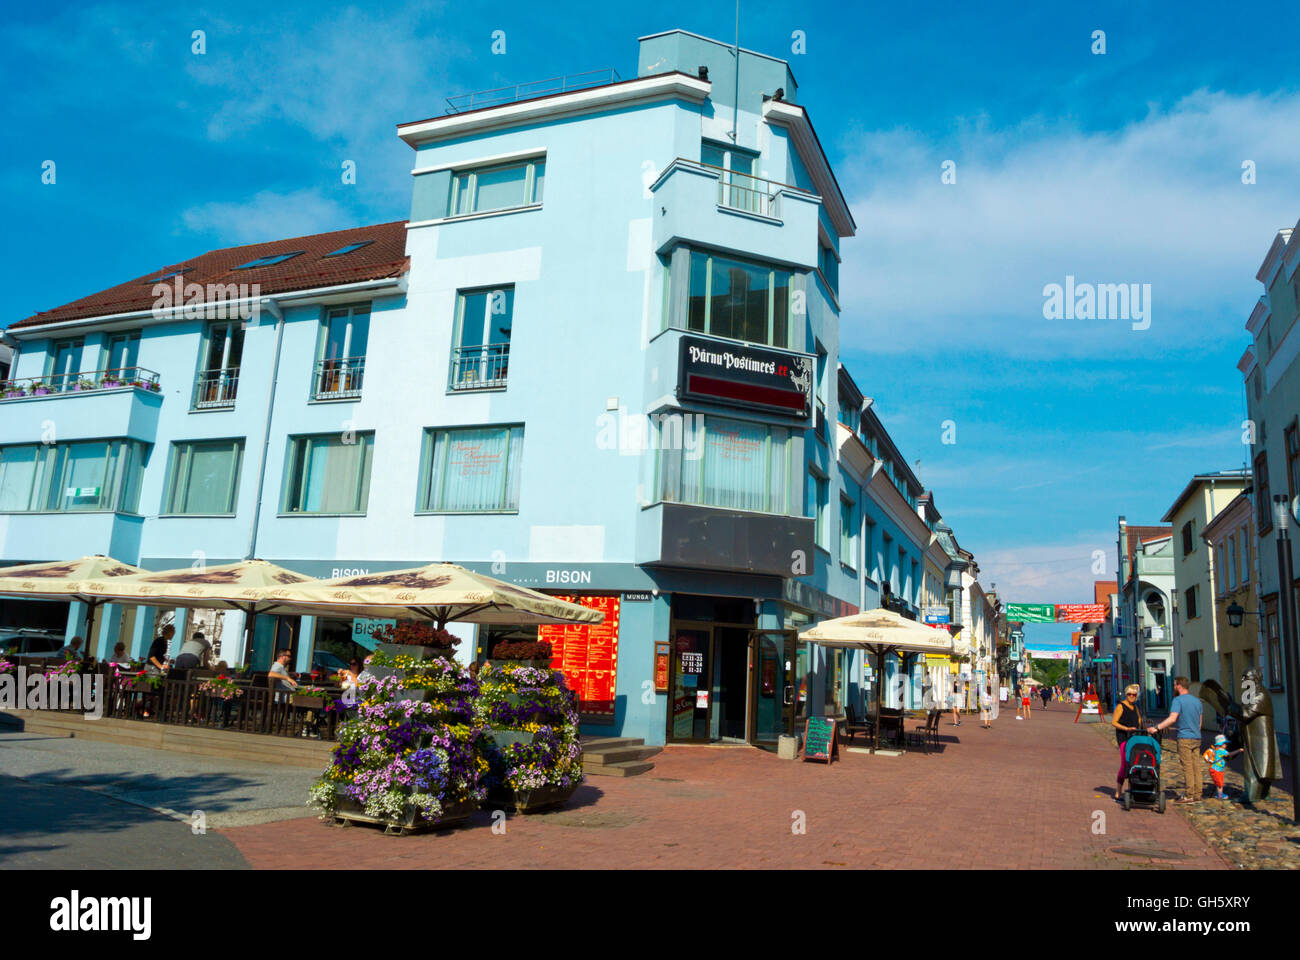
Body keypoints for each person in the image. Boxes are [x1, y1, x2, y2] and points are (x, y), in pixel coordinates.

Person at [1147, 676, 1204, 803]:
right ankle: (1198, 793)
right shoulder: (1197, 701)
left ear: (1179, 686)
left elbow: (1172, 718)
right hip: (1196, 737)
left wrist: (1156, 728)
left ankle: (1189, 794)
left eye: (1174, 685)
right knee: (1196, 766)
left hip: (1185, 737)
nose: (1173, 687)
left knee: (1187, 766)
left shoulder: (1178, 700)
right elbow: (1200, 724)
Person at [1111, 684, 1144, 802]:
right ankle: (1118, 792)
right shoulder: (1121, 706)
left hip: (1135, 739)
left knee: (1136, 762)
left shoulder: (1136, 708)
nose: (1131, 697)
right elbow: (1114, 722)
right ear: (1126, 695)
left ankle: (1135, 788)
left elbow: (1140, 722)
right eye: (1129, 694)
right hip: (1124, 737)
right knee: (1125, 763)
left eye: (1134, 695)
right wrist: (1126, 729)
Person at [1203, 734, 1240, 801]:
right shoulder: (1221, 750)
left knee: (1218, 783)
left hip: (1214, 769)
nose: (1226, 745)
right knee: (1220, 784)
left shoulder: (1216, 749)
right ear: (1221, 744)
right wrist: (1239, 750)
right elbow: (1230, 754)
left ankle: (1219, 794)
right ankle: (1220, 795)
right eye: (1225, 744)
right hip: (1217, 770)